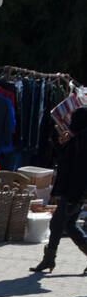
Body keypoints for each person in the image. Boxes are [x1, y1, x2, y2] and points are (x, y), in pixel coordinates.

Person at [30, 106, 87, 274]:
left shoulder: (83, 139)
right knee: (69, 225)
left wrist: (74, 196)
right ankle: (48, 260)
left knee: (57, 224)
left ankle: (48, 260)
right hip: (73, 191)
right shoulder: (79, 139)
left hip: (74, 191)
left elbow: (81, 171)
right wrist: (62, 143)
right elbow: (67, 160)